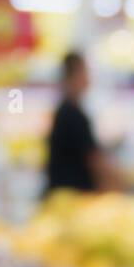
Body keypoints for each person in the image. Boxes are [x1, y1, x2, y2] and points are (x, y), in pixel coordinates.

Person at [45, 51, 124, 194]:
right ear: (74, 76)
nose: (89, 79)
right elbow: (94, 159)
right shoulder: (73, 114)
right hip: (71, 197)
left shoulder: (65, 111)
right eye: (86, 72)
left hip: (64, 195)